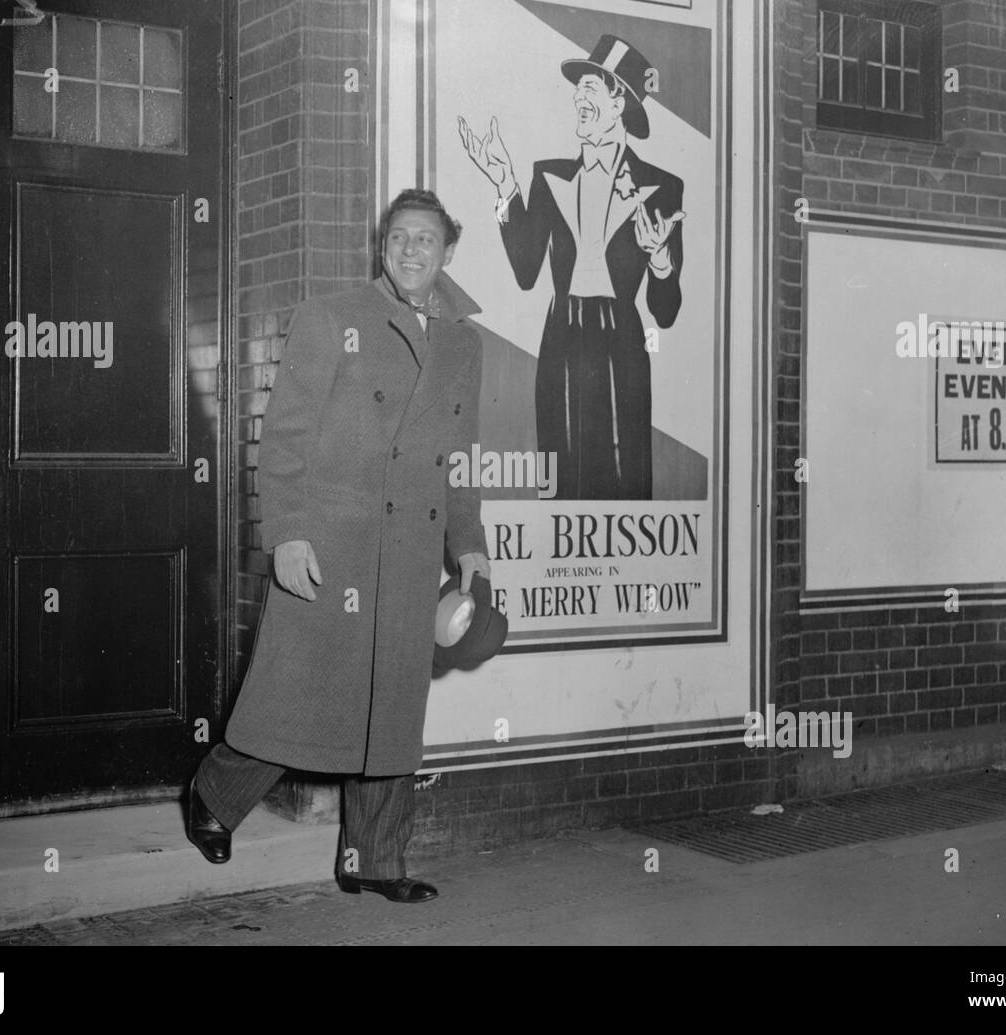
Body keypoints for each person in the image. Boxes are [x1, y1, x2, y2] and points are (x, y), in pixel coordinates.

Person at [186, 189, 491, 903]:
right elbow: (284, 439)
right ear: (382, 248)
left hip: (411, 551)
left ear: (449, 251)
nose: (413, 249)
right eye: (400, 238)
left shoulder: (464, 343)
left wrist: (468, 544)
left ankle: (373, 859)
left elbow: (458, 455)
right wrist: (287, 534)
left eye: (428, 239)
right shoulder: (330, 320)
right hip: (333, 545)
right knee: (294, 693)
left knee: (391, 711)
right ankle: (211, 796)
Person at [459, 34, 685, 500]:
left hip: (623, 336)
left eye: (590, 88)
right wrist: (505, 184)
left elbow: (665, 312)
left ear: (620, 100)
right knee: (562, 470)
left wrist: (662, 260)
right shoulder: (549, 175)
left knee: (625, 474)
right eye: (577, 88)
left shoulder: (662, 186)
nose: (578, 98)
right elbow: (525, 271)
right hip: (561, 334)